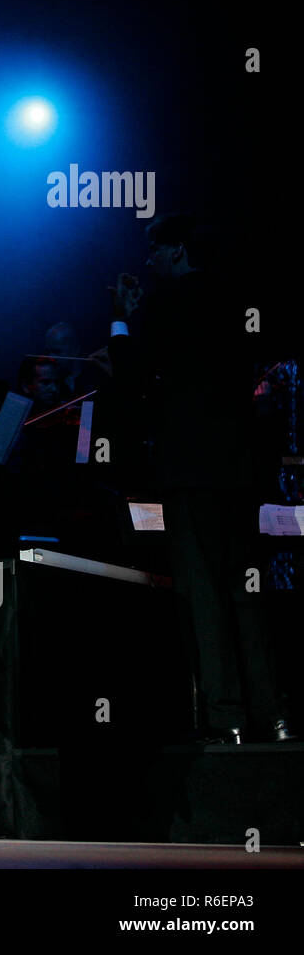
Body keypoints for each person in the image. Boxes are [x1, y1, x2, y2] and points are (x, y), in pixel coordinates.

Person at [108, 214, 294, 744]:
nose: (151, 262)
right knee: (248, 591)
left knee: (204, 593)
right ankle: (275, 714)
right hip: (239, 468)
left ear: (177, 250)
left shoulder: (170, 304)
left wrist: (122, 318)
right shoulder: (239, 298)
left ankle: (226, 716)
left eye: (156, 252)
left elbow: (135, 374)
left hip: (190, 469)